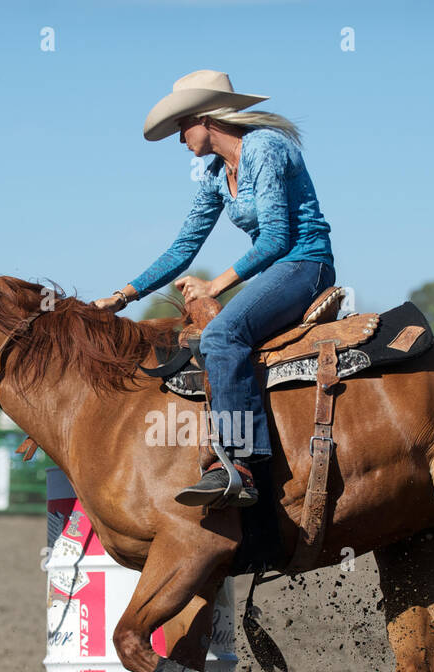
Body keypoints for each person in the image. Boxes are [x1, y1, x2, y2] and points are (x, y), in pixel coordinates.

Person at [93, 70, 335, 508]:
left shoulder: (264, 147)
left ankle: (237, 464)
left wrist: (214, 285)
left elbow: (278, 238)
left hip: (306, 263)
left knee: (222, 334)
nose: (179, 138)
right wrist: (123, 295)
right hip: (277, 270)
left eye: (181, 126)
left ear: (206, 118)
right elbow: (182, 248)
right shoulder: (214, 174)